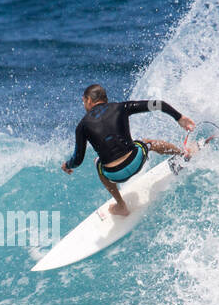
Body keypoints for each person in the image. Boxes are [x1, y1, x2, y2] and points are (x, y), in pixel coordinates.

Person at [61, 84, 196, 216]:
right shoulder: (121, 107)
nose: (84, 105)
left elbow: (78, 159)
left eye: (84, 101)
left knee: (98, 163)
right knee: (149, 143)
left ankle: (121, 205)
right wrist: (179, 118)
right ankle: (183, 154)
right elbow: (158, 104)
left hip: (114, 175)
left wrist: (67, 165)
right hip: (136, 161)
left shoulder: (82, 126)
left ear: (89, 100)